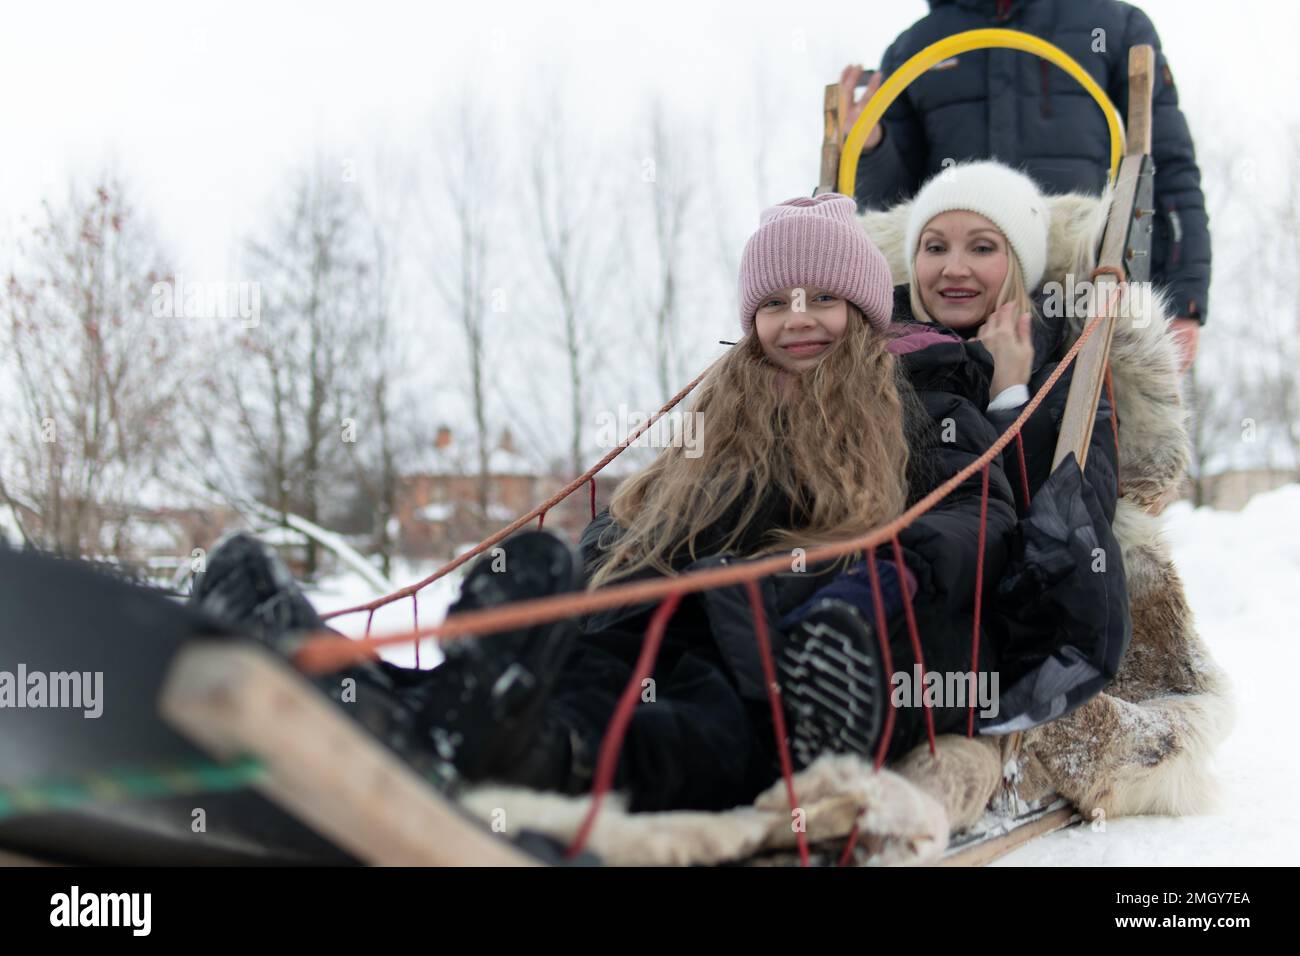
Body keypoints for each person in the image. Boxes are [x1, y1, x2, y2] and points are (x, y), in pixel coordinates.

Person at [193, 193, 1019, 814]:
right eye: (773, 304)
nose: (795, 322)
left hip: (774, 655)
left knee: (688, 731)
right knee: (577, 657)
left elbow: (969, 519)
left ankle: (517, 753)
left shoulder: (925, 412)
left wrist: (857, 597)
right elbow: (642, 520)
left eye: (822, 300)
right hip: (659, 620)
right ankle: (338, 677)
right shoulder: (725, 414)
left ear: (868, 312)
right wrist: (578, 588)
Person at [843, 0, 1209, 372]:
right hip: (956, 295)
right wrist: (873, 147)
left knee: (1087, 420)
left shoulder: (1112, 24)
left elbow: (1168, 170)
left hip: (1080, 288)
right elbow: (892, 206)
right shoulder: (917, 45)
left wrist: (1185, 298)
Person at [893, 160, 1132, 728]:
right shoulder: (873, 348)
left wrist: (1010, 394)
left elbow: (1065, 517)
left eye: (981, 248)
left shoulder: (1068, 361)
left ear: (1018, 264)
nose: (954, 269)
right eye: (934, 247)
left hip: (994, 607)